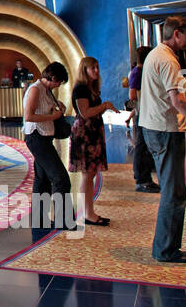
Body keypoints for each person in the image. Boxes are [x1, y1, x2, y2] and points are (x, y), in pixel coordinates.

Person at [139, 16, 186, 264]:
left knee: (173, 191)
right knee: (174, 193)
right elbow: (177, 101)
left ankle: (166, 246)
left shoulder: (156, 54)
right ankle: (166, 250)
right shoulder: (168, 60)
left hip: (155, 128)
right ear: (177, 33)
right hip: (164, 131)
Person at [23, 62, 72, 232]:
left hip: (44, 137)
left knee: (42, 180)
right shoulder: (35, 89)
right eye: (59, 82)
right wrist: (53, 116)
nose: (59, 85)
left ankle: (39, 219)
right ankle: (63, 220)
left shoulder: (46, 90)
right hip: (36, 137)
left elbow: (47, 109)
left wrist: (57, 109)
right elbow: (29, 116)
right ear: (52, 78)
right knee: (60, 178)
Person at [71, 56, 116, 226]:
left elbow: (94, 112)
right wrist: (104, 106)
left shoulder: (92, 88)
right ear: (85, 70)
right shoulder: (81, 89)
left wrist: (104, 108)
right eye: (93, 68)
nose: (96, 70)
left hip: (93, 132)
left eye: (97, 67)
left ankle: (90, 211)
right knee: (87, 174)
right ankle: (88, 213)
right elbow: (85, 113)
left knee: (91, 173)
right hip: (84, 134)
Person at [128, 46, 159, 192]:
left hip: (146, 112)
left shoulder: (139, 72)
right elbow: (132, 95)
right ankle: (142, 179)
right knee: (142, 146)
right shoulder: (137, 73)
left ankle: (144, 178)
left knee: (144, 146)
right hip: (143, 113)